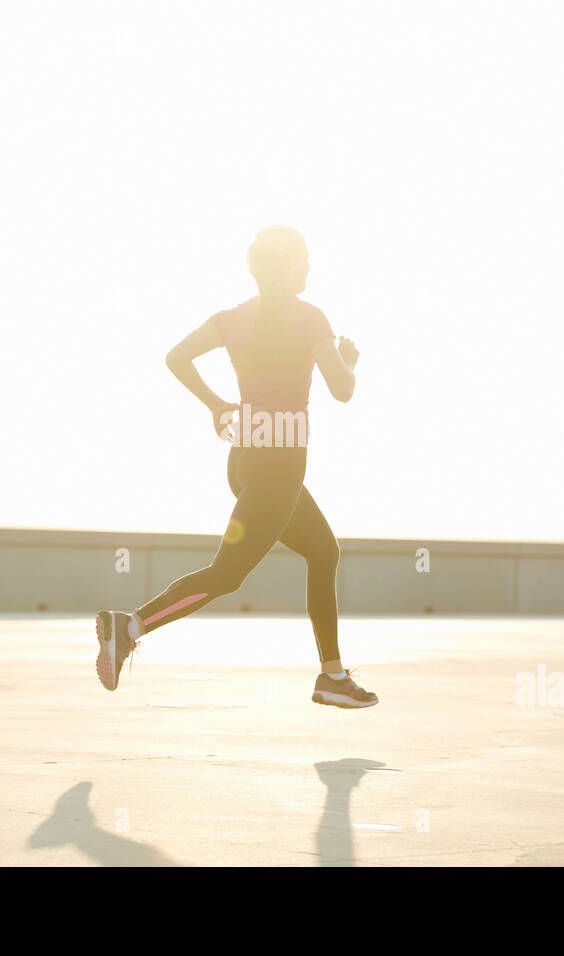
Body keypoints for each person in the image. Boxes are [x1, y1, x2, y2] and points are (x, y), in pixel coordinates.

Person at [95, 225, 377, 709]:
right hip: (279, 469)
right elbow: (343, 390)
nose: (310, 267)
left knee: (324, 552)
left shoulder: (234, 318)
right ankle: (129, 626)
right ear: (289, 264)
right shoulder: (311, 320)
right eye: (305, 259)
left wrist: (215, 405)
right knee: (226, 576)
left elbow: (175, 357)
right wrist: (347, 359)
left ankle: (332, 675)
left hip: (245, 461)